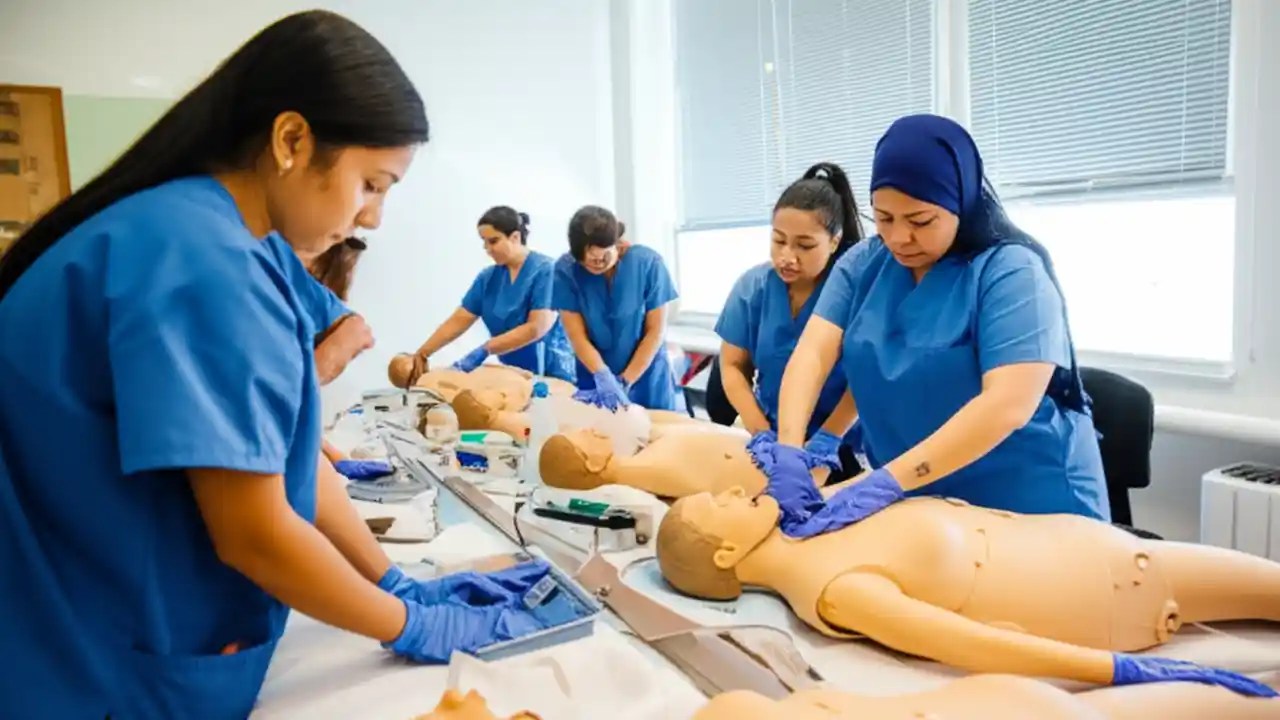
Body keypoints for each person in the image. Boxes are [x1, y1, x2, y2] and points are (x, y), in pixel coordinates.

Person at [0, 12, 499, 718]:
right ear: (292, 140)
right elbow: (255, 532)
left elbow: (286, 460)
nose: (374, 218)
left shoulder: (230, 239)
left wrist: (392, 581)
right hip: (91, 658)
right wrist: (413, 626)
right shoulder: (200, 261)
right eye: (372, 184)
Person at [764, 113, 1108, 521]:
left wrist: (883, 483)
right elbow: (813, 355)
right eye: (884, 218)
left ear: (959, 201)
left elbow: (1006, 405)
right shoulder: (864, 266)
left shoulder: (1012, 273)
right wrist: (789, 450)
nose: (898, 237)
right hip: (922, 500)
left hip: (1030, 501)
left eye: (920, 221)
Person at [657, 488, 1280, 697]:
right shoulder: (835, 591)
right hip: (1129, 594)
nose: (735, 493)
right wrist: (1120, 671)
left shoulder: (820, 528)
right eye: (720, 504)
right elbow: (977, 647)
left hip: (1115, 551)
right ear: (726, 554)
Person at [714, 162, 864, 480]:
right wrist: (760, 432)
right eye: (779, 240)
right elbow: (731, 366)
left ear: (834, 241)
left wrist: (828, 439)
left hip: (842, 440)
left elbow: (865, 380)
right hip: (772, 431)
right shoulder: (752, 288)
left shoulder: (854, 293)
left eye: (804, 245)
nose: (787, 256)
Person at [406, 207, 574, 385]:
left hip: (553, 374)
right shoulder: (488, 278)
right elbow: (460, 319)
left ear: (515, 237)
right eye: (484, 242)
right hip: (515, 374)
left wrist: (486, 349)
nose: (487, 249)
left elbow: (538, 327)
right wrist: (423, 353)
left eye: (493, 241)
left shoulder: (547, 271)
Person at [552, 206, 681, 411]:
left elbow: (655, 331)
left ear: (618, 244)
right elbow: (577, 335)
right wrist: (603, 375)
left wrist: (624, 381)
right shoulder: (566, 271)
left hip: (647, 373)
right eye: (589, 262)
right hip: (594, 372)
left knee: (656, 434)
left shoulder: (648, 263)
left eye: (604, 257)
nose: (598, 264)